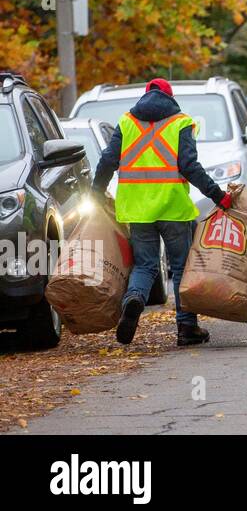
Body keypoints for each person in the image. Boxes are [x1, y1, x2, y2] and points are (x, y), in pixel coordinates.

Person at [92, 78, 232, 347]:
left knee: (145, 265)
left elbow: (108, 160)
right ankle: (186, 328)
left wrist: (96, 191)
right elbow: (190, 166)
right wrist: (218, 195)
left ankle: (134, 298)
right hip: (173, 209)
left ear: (146, 96)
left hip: (138, 209)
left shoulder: (126, 122)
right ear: (170, 97)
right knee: (180, 267)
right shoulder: (180, 123)